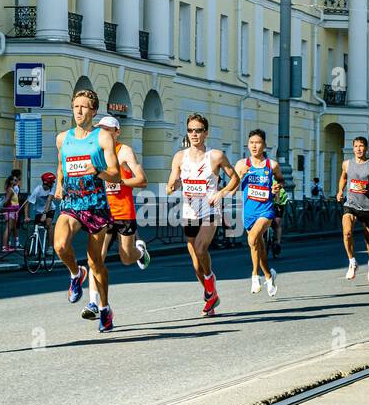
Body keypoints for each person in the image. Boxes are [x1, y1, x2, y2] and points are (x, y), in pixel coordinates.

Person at [53, 87, 123, 332]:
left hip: (95, 204)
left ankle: (104, 308)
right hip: (71, 202)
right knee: (60, 245)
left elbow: (116, 175)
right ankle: (75, 273)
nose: (79, 111)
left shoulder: (103, 138)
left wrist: (97, 171)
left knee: (96, 262)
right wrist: (59, 186)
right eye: (75, 106)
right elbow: (62, 166)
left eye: (84, 107)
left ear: (93, 110)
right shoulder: (63, 138)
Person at [166, 113, 239, 316]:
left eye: (198, 130)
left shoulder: (215, 156)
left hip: (210, 210)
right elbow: (171, 183)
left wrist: (222, 193)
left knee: (200, 248)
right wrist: (173, 185)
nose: (194, 134)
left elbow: (235, 178)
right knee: (196, 263)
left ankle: (210, 281)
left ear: (206, 133)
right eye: (190, 130)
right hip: (189, 211)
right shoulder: (180, 157)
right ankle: (211, 293)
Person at [83, 116, 151, 319]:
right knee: (96, 258)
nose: (104, 133)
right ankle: (94, 303)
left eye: (108, 129)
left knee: (126, 257)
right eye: (100, 129)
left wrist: (118, 180)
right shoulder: (94, 153)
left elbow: (142, 180)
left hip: (123, 211)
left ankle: (140, 252)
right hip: (101, 211)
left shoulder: (124, 151)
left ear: (117, 132)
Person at [234, 129, 282, 297]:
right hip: (248, 211)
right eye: (252, 142)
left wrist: (277, 186)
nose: (254, 146)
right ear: (248, 145)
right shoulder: (241, 164)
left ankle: (255, 276)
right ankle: (269, 276)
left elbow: (280, 180)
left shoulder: (272, 165)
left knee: (252, 239)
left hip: (266, 210)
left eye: (258, 142)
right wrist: (240, 176)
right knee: (258, 245)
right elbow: (232, 189)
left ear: (264, 145)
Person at [337, 136, 369, 282]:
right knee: (346, 233)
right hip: (350, 205)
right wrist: (340, 191)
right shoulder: (347, 164)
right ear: (353, 148)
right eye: (356, 146)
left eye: (361, 146)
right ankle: (352, 262)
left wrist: (367, 186)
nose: (359, 149)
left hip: (366, 207)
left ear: (366, 148)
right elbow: (344, 177)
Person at [0, 169, 23, 253]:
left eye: (16, 180)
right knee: (8, 228)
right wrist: (11, 205)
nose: (16, 181)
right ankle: (4, 247)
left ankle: (7, 245)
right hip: (11, 211)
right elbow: (6, 201)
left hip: (13, 211)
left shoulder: (12, 189)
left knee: (11, 228)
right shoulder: (10, 190)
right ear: (10, 181)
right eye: (14, 180)